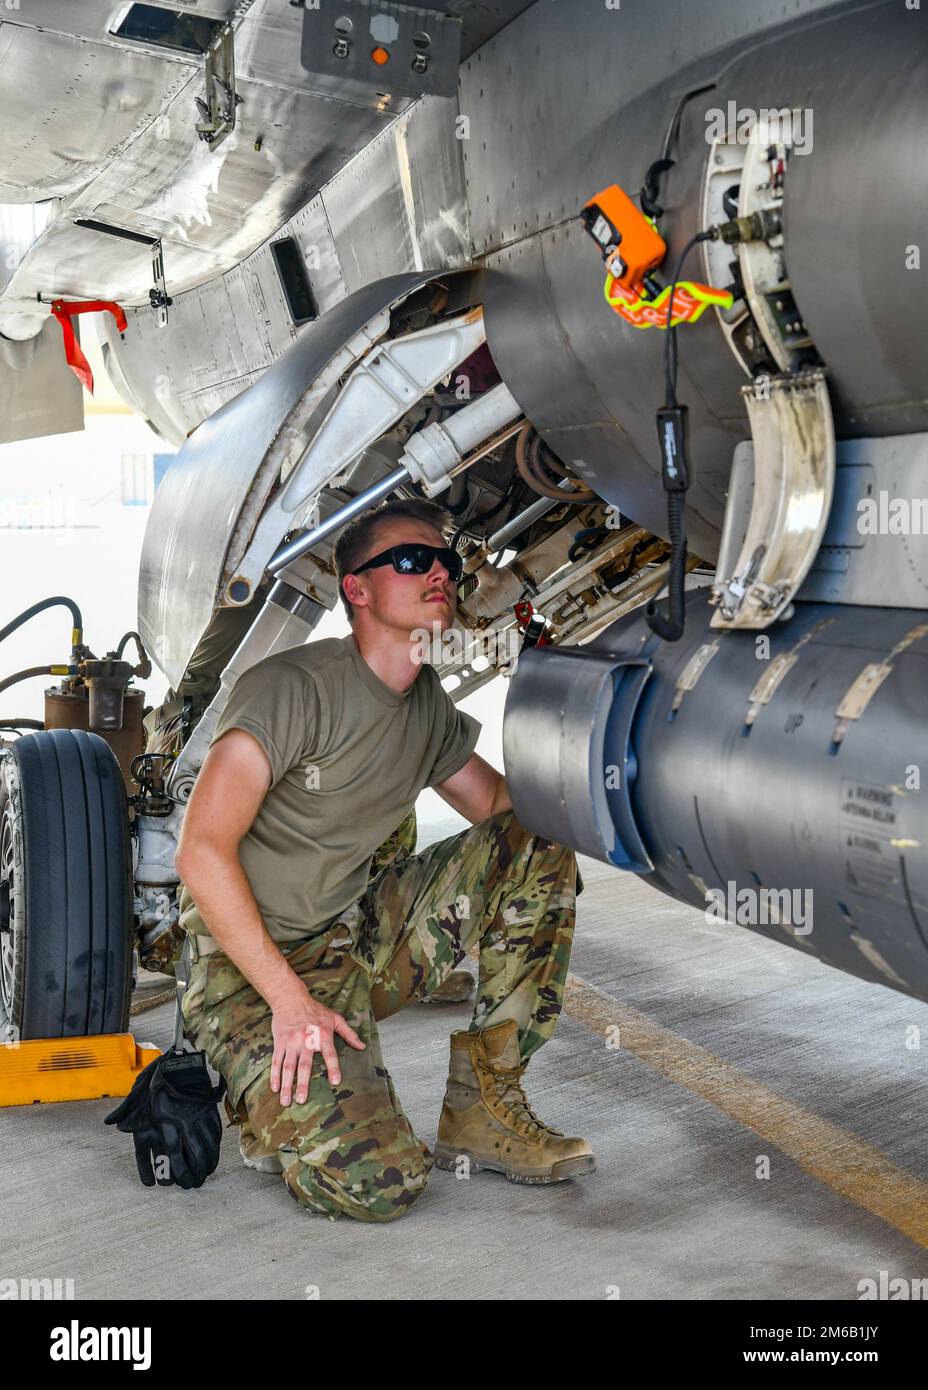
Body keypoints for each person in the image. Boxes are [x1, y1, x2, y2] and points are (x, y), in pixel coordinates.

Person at [175, 496, 594, 1222]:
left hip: (354, 943)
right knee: (379, 1186)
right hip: (247, 973)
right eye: (410, 560)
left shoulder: (425, 702)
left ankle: (483, 1107)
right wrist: (287, 1001)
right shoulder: (291, 691)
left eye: (446, 561)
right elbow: (200, 851)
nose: (438, 572)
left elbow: (505, 819)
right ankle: (263, 1099)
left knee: (539, 842)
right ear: (357, 590)